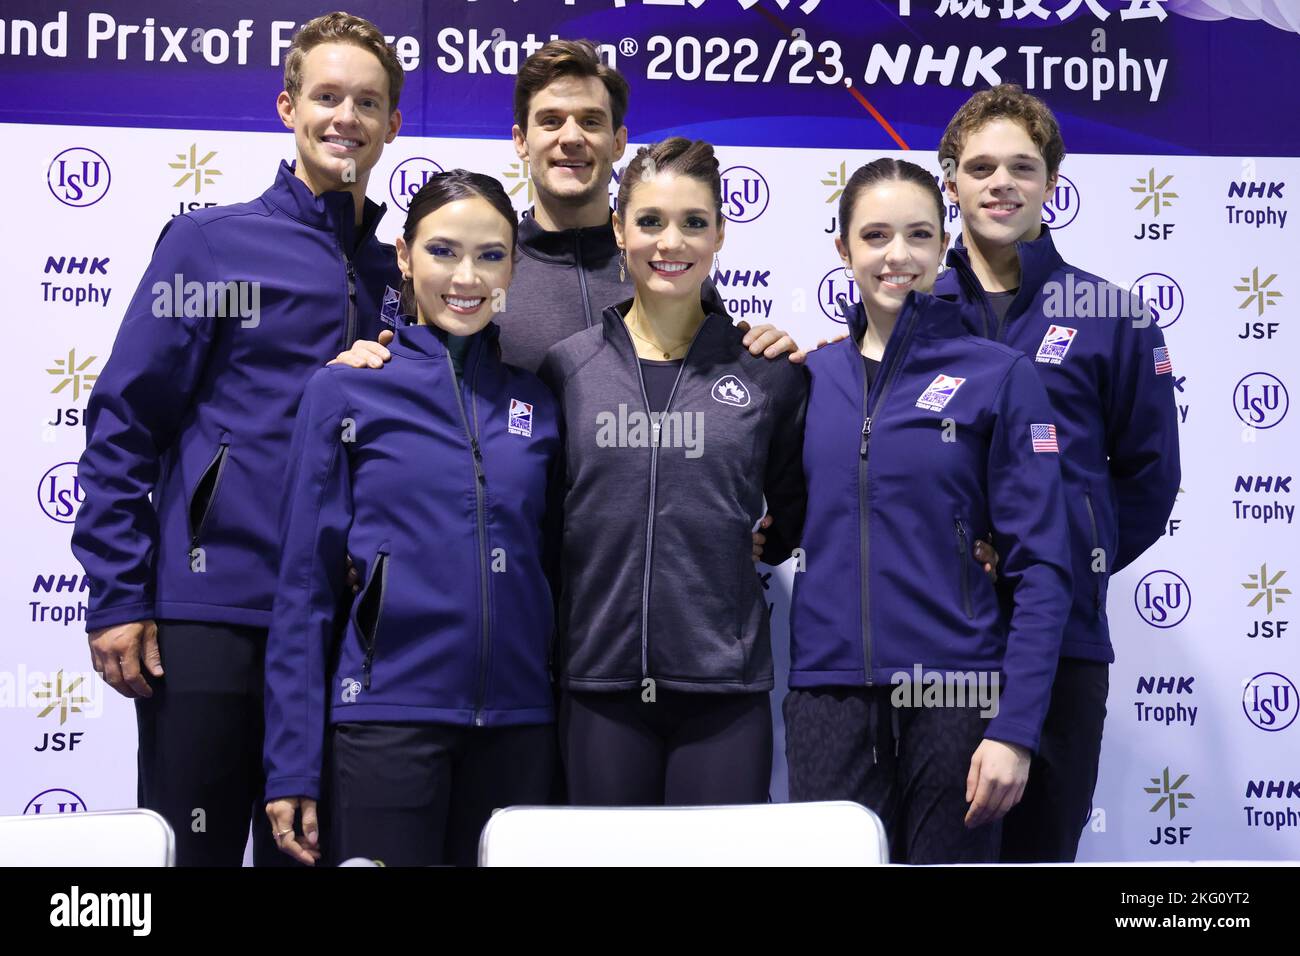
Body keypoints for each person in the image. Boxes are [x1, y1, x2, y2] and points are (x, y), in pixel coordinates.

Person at [69, 12, 404, 866]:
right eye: (326, 97)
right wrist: (118, 594)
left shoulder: (404, 271)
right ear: (287, 106)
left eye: (368, 102)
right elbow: (125, 419)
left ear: (395, 124)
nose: (346, 118)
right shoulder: (212, 249)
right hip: (213, 615)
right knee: (194, 857)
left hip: (338, 627)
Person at [263, 171, 560, 867]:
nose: (467, 276)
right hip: (385, 721)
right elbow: (304, 591)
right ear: (403, 256)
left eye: (491, 255)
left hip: (518, 731)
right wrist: (292, 766)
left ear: (513, 265)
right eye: (443, 252)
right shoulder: (347, 389)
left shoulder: (538, 403)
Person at [784, 157, 1072, 863]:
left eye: (918, 235)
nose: (897, 255)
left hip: (956, 691)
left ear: (942, 245)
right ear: (843, 249)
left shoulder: (998, 375)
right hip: (828, 695)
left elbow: (1044, 567)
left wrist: (1014, 729)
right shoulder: (805, 379)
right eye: (875, 235)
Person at [934, 85, 1181, 863]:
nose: (1000, 183)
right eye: (980, 167)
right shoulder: (912, 308)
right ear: (951, 182)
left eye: (1022, 167)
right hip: (932, 642)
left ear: (1052, 182)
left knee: (1040, 857)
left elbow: (1148, 480)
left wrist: (1065, 557)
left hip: (1065, 644)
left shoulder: (1112, 316)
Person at [539, 137, 807, 806]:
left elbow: (796, 508)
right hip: (598, 686)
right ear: (619, 228)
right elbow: (542, 524)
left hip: (724, 691)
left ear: (719, 234)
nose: (672, 242)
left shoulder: (765, 372)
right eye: (652, 221)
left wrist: (762, 541)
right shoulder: (568, 369)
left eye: (694, 222)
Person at [337, 39, 801, 374]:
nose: (572, 138)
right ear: (521, 141)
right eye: (551, 121)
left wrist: (760, 349)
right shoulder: (483, 271)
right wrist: (367, 361)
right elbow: (410, 371)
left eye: (591, 121)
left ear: (618, 142)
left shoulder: (667, 269)